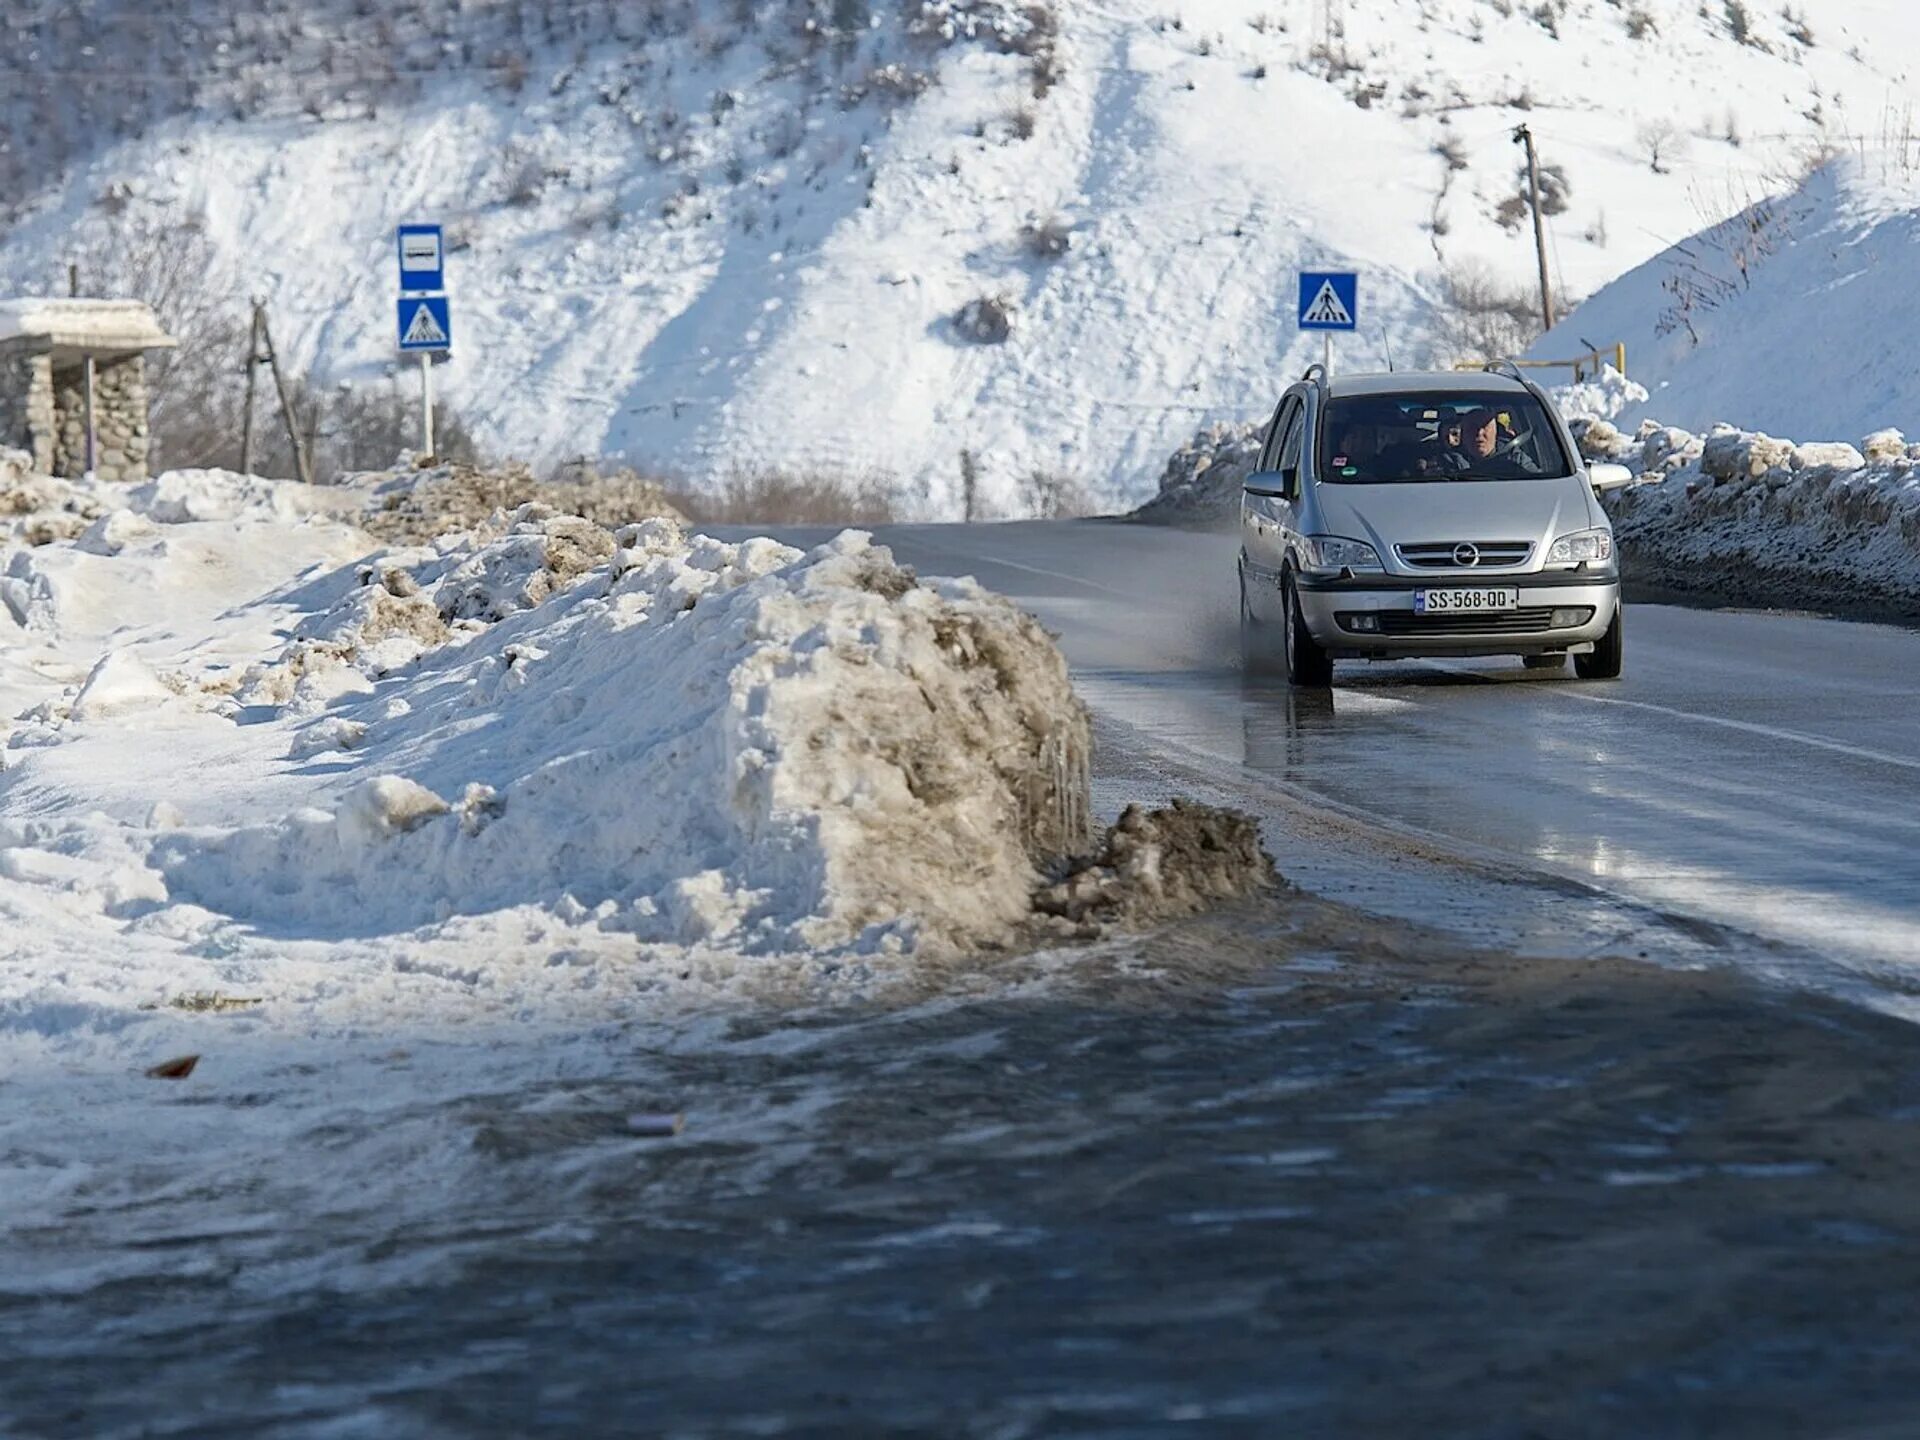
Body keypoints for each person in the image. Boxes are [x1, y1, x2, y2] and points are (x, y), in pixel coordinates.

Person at [1433, 406, 1540, 477]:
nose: (1479, 432)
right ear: (1463, 435)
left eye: (1485, 426)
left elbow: (1537, 482)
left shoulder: (1515, 457)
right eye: (1472, 427)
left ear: (1495, 431)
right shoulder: (1449, 460)